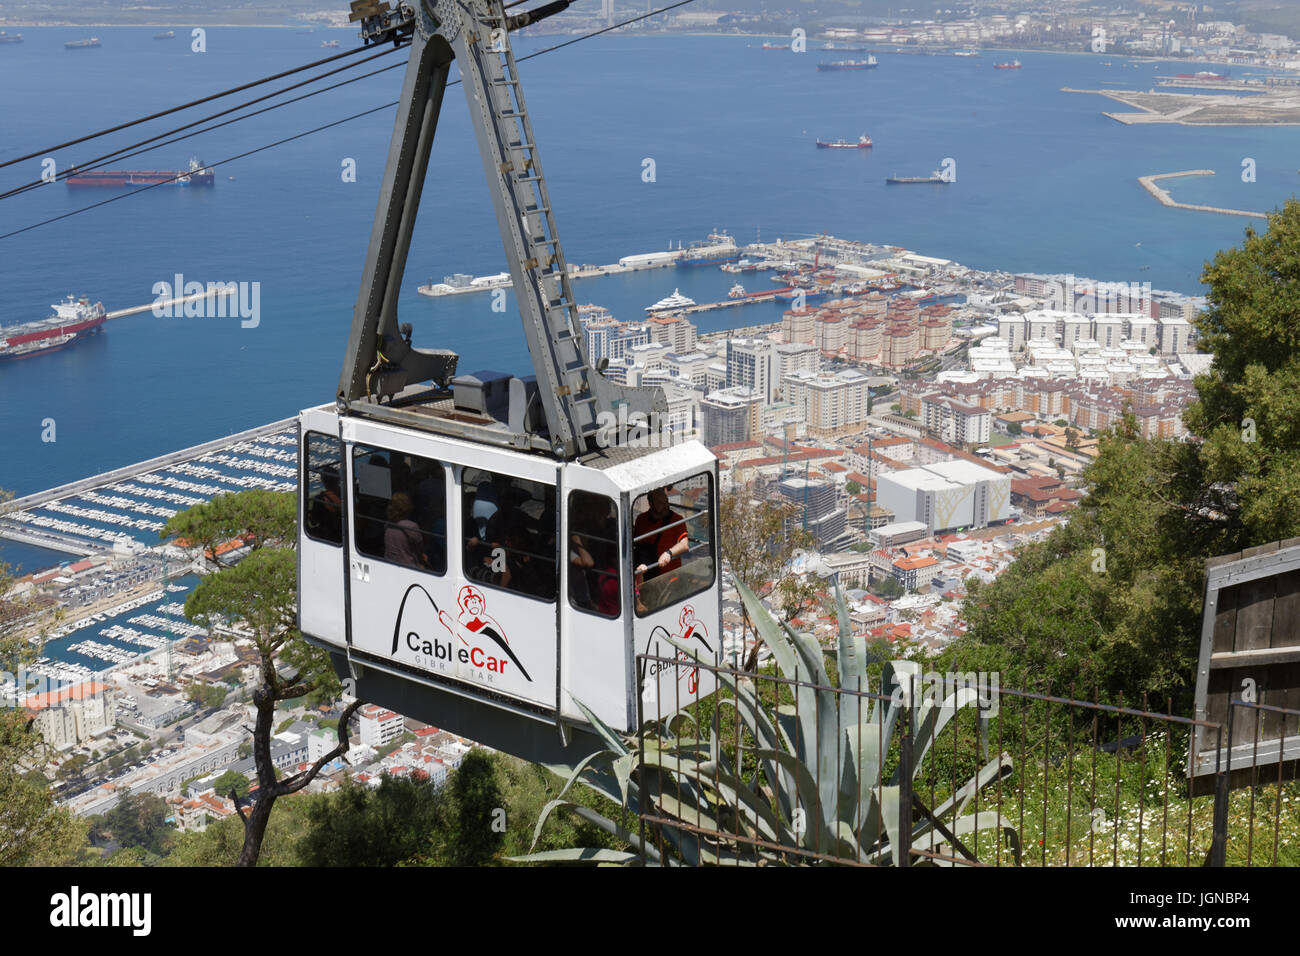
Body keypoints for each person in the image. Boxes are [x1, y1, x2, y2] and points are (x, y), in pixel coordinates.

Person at [633, 487, 689, 582]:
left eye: (666, 501)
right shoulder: (641, 520)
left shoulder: (676, 519)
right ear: (651, 504)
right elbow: (637, 546)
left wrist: (669, 553)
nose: (665, 505)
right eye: (660, 503)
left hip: (670, 577)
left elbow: (684, 545)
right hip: (647, 575)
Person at [383, 492, 426, 568]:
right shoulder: (412, 526)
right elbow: (419, 549)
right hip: (408, 566)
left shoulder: (387, 524)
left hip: (388, 562)